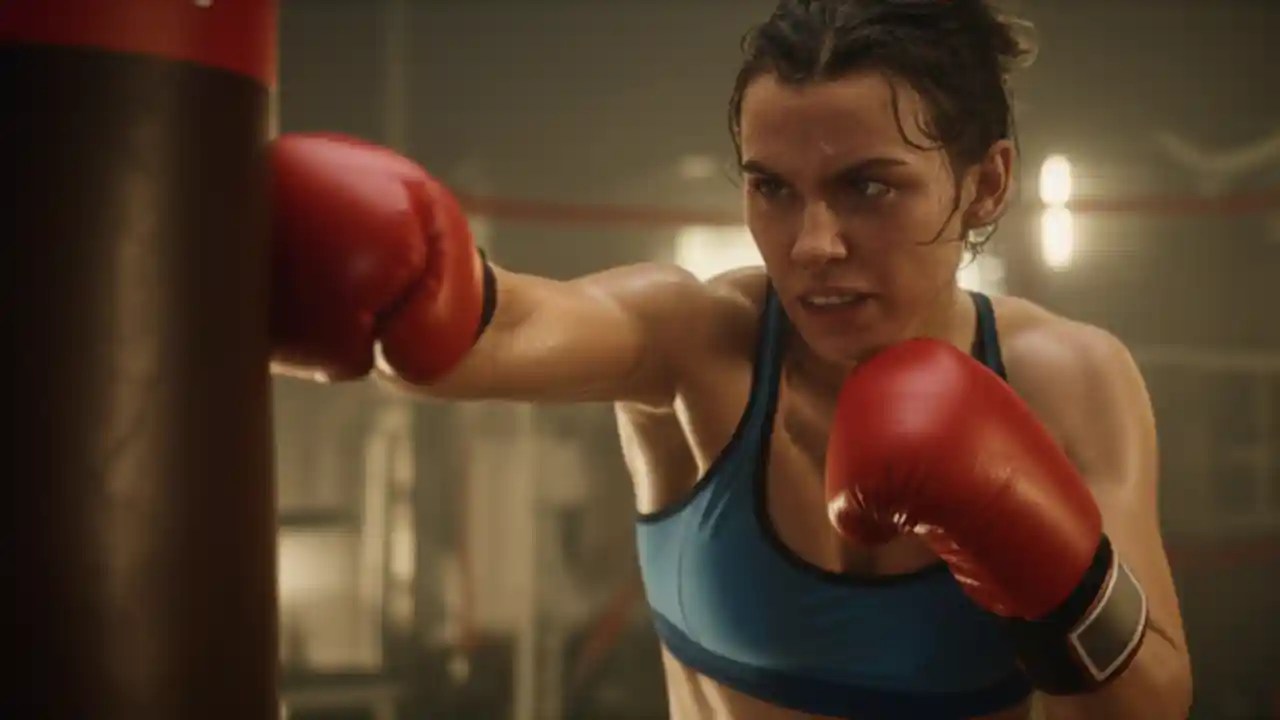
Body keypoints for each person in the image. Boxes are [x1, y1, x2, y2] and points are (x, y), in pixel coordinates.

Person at [269, 1, 1193, 718]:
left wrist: (1054, 574)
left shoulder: (1068, 380)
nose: (812, 243)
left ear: (986, 182)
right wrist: (377, 276)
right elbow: (494, 331)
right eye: (772, 189)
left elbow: (1148, 704)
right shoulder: (695, 345)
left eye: (867, 186)